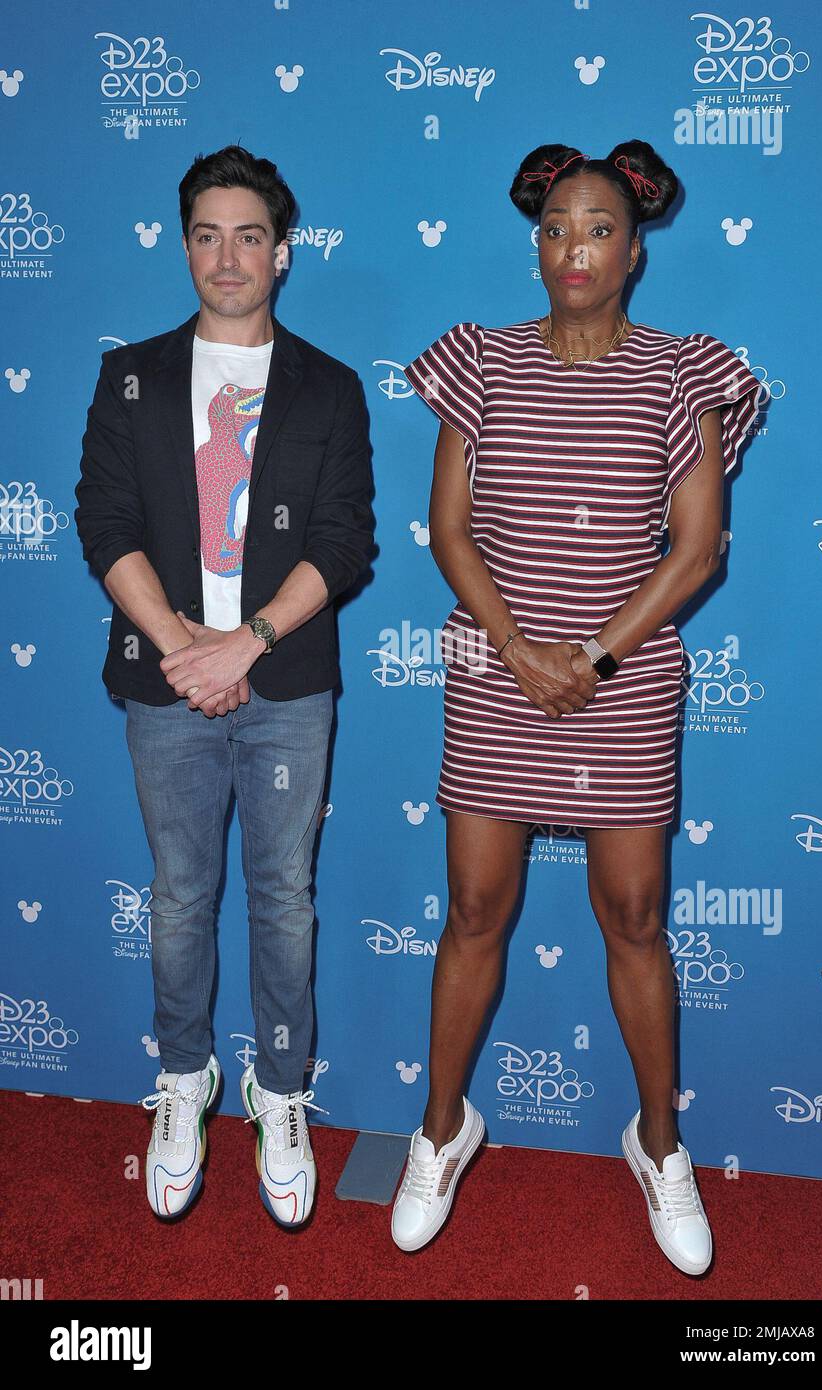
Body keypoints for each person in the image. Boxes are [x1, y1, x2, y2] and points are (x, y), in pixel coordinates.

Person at [392, 140, 762, 1275]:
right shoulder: (479, 361)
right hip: (499, 672)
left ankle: (659, 1144)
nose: (572, 249)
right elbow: (449, 529)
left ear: (636, 250)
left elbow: (697, 552)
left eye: (597, 228)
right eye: (554, 229)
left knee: (637, 918)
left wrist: (591, 659)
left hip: (626, 675)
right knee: (472, 909)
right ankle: (441, 1128)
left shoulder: (686, 372)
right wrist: (517, 648)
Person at [74, 144, 375, 1226]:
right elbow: (102, 522)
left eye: (250, 235)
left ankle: (280, 1091)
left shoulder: (329, 386)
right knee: (180, 898)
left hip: (286, 679)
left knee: (283, 902)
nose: (228, 255)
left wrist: (241, 641)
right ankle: (183, 1079)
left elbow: (344, 543)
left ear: (282, 252)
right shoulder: (132, 375)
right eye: (207, 233)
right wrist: (180, 646)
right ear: (184, 244)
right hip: (165, 685)